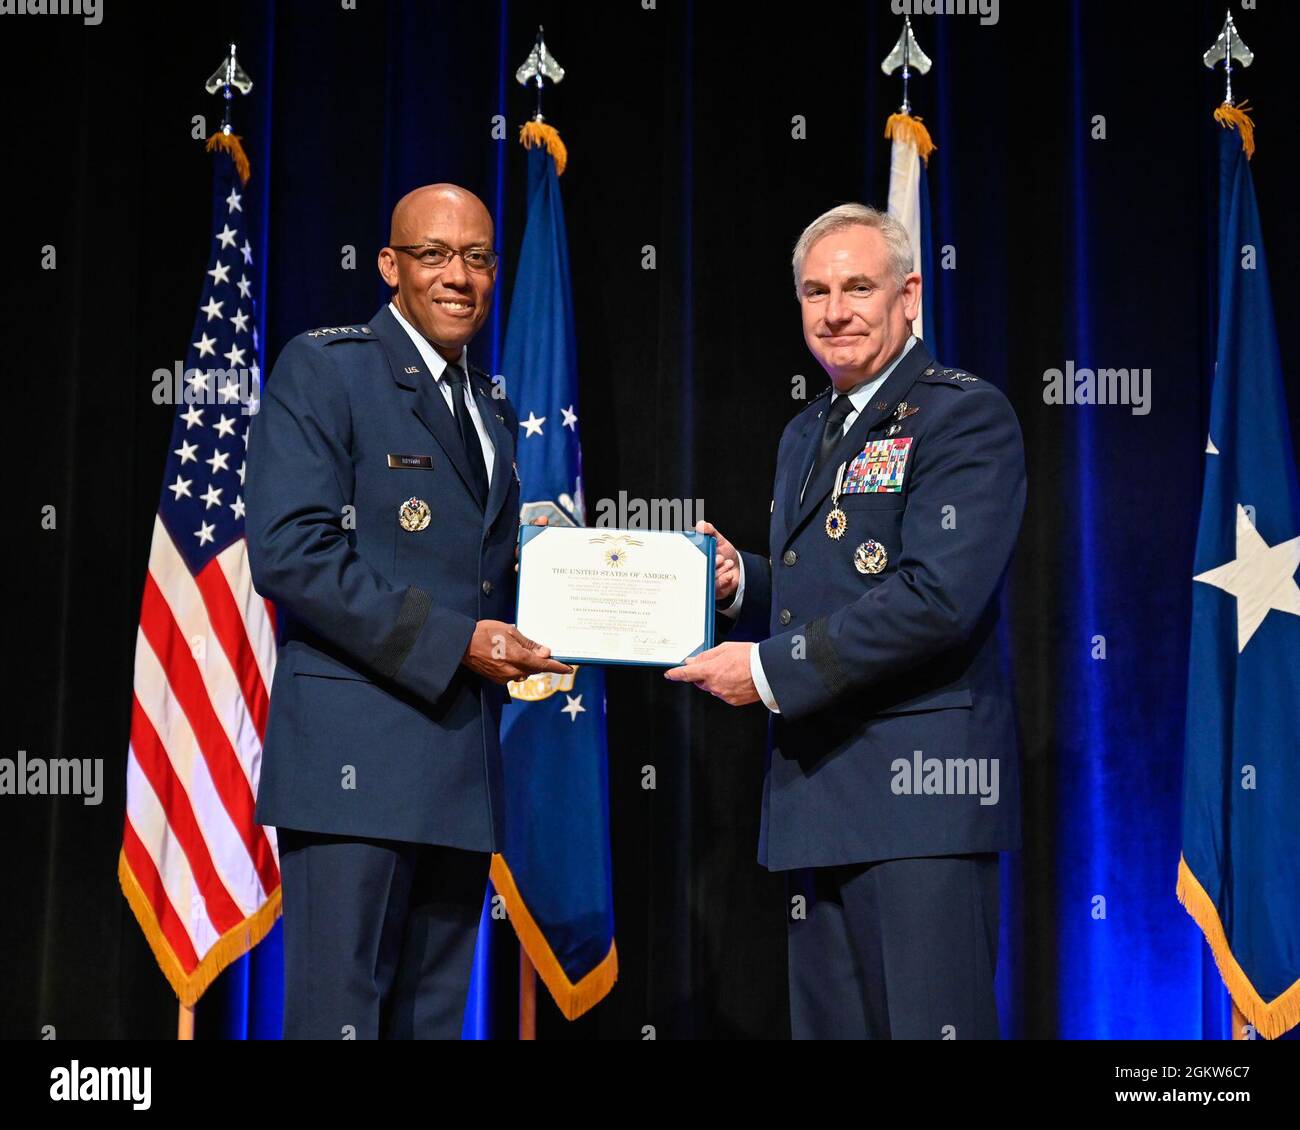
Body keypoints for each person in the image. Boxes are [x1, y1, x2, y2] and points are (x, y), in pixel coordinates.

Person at [666, 203, 1026, 1039]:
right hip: (816, 794)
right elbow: (824, 588)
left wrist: (761, 671)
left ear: (909, 296)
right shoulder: (807, 431)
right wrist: (735, 584)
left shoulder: (963, 415)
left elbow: (935, 600)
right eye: (815, 291)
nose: (835, 311)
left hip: (920, 802)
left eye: (858, 287)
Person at [246, 183, 569, 1039]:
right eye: (433, 255)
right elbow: (291, 551)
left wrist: (617, 592)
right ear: (391, 266)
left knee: (433, 1023)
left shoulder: (489, 403)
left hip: (459, 774)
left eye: (475, 257)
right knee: (338, 1020)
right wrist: (458, 641)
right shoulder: (328, 367)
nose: (457, 276)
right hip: (354, 771)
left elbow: (482, 573)